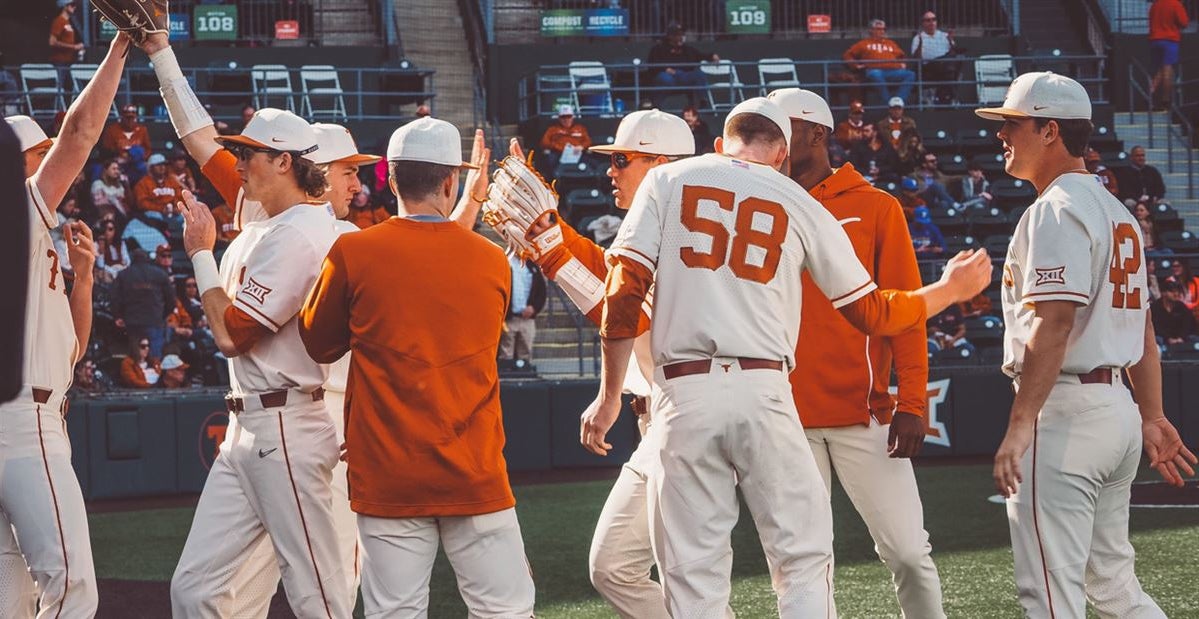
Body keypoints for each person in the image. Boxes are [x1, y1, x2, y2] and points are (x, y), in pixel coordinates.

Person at [580, 97, 992, 617]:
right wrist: (948, 291)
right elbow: (873, 313)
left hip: (682, 393)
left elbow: (623, 294)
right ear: (781, 154)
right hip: (766, 390)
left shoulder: (666, 180)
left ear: (720, 143)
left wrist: (608, 397)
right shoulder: (799, 200)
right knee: (801, 560)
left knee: (692, 574)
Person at [298, 117, 535, 618]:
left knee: (394, 613)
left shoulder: (352, 251)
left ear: (389, 179)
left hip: (388, 473)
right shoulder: (492, 260)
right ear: (450, 181)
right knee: (505, 611)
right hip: (474, 471)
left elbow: (318, 344)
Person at [980, 71, 1196, 618]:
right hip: (1116, 408)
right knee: (1114, 588)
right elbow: (1144, 330)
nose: (1001, 135)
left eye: (1013, 124)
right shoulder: (1116, 210)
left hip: (1066, 411)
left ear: (1049, 130)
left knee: (1050, 595)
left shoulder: (1057, 207)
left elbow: (1054, 323)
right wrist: (1151, 414)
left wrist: (1022, 422)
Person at [485, 109, 696, 618]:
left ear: (660, 164)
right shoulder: (652, 225)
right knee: (615, 567)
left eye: (622, 160)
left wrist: (553, 248)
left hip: (690, 418)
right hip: (660, 420)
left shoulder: (684, 233)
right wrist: (551, 231)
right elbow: (607, 273)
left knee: (687, 576)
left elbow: (625, 314)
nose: (610, 170)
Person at [165, 109, 352, 618]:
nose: (239, 163)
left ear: (285, 162)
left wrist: (200, 254)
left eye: (249, 154)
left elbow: (232, 335)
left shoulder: (301, 233)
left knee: (318, 596)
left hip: (288, 423)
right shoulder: (272, 226)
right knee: (195, 589)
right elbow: (202, 144)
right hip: (247, 427)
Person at [769, 88, 947, 618]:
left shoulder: (876, 206)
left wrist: (912, 402)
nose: (772, 138)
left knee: (909, 552)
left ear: (818, 133)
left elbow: (907, 309)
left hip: (864, 412)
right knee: (801, 563)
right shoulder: (758, 202)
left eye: (783, 127)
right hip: (783, 417)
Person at [1, 32, 129, 619]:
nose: (46, 163)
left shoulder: (31, 239)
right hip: (23, 423)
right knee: (72, 586)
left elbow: (71, 350)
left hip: (29, 411)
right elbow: (80, 134)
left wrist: (84, 278)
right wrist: (121, 44)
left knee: (12, 598)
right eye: (37, 155)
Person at [110, 247, 175, 359]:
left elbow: (114, 297)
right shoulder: (160, 274)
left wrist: (118, 316)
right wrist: (162, 315)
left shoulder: (123, 275)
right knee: (155, 356)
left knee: (136, 354)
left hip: (132, 322)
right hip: (154, 321)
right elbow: (171, 300)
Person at [844, 19, 915, 104]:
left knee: (910, 74)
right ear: (871, 30)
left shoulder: (891, 43)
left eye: (883, 29)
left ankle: (898, 102)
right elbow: (848, 55)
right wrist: (855, 65)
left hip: (893, 71)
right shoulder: (863, 43)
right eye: (878, 29)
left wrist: (903, 63)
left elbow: (902, 56)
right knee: (876, 74)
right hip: (874, 71)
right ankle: (888, 103)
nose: (882, 31)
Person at [646, 23, 715, 105]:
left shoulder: (687, 49)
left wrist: (712, 56)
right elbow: (652, 63)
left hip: (683, 76)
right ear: (670, 36)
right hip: (667, 76)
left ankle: (701, 101)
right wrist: (665, 69)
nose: (681, 37)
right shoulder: (659, 48)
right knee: (665, 78)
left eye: (682, 35)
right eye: (678, 35)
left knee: (699, 75)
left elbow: (700, 56)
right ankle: (656, 105)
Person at [500, 255, 547, 363]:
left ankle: (525, 370)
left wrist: (534, 307)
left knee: (525, 351)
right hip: (508, 319)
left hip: (527, 319)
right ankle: (506, 370)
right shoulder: (505, 262)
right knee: (506, 352)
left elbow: (541, 291)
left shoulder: (532, 266)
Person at [1148, 0, 1189, 110]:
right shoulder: (1175, 4)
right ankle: (1165, 101)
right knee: (1167, 70)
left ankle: (1150, 91)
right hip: (1170, 40)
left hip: (1154, 40)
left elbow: (1151, 22)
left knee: (1160, 70)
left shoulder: (1155, 5)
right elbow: (1184, 23)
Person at [910, 11, 958, 104]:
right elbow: (916, 58)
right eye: (928, 20)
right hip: (928, 67)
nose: (931, 22)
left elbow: (954, 53)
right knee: (947, 67)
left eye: (934, 19)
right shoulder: (918, 38)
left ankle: (947, 98)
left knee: (956, 60)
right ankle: (952, 98)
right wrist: (920, 44)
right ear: (923, 23)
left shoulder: (944, 35)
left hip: (946, 66)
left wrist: (950, 41)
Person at [539, 105, 593, 174]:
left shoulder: (580, 128)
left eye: (568, 116)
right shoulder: (552, 129)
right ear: (559, 118)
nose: (566, 119)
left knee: (591, 161)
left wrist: (581, 147)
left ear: (572, 117)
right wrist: (558, 147)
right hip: (559, 154)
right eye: (563, 117)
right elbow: (544, 142)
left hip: (577, 154)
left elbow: (588, 141)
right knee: (550, 159)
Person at [1151, 278, 1197, 345]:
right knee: (1157, 339)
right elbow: (1156, 327)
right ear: (1163, 293)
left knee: (1194, 339)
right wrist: (1168, 338)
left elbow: (1187, 324)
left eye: (1178, 291)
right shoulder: (1155, 307)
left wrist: (1181, 337)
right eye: (1172, 291)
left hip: (1180, 338)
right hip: (1163, 338)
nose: (1176, 294)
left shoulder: (1182, 307)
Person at [48, 0, 83, 66]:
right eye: (72, 5)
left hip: (68, 61)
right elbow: (52, 42)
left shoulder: (68, 22)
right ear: (65, 6)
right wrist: (74, 47)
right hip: (60, 62)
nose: (74, 7)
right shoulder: (59, 21)